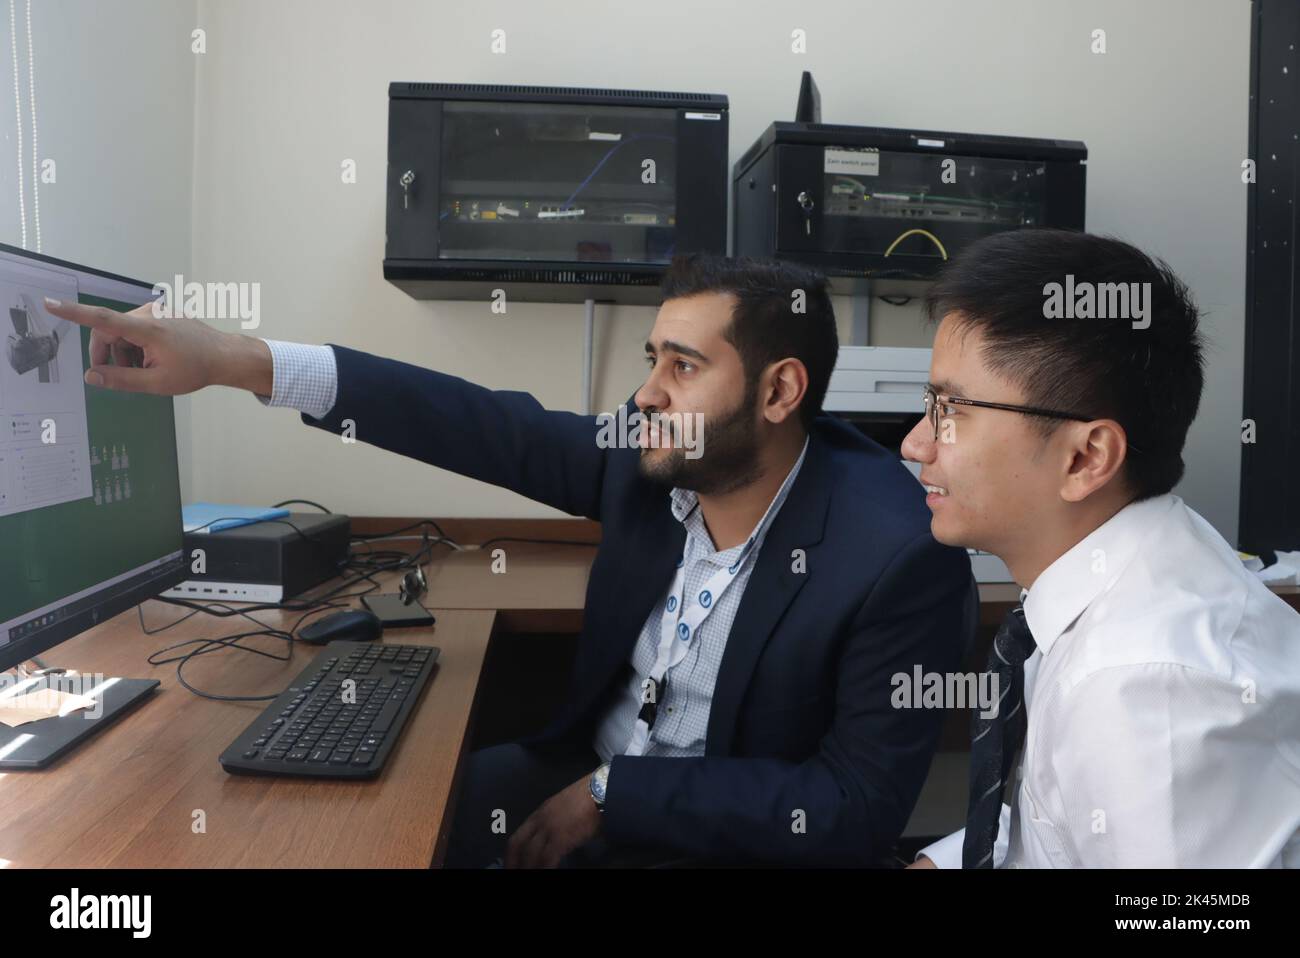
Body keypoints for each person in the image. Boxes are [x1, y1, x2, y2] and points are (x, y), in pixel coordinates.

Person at [47, 253, 975, 868]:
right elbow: (475, 422)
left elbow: (851, 806)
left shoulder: (895, 551)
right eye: (653, 357)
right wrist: (234, 360)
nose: (646, 393)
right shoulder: (649, 458)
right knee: (366, 833)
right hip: (583, 766)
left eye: (683, 367)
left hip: (730, 839)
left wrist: (618, 796)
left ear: (779, 391)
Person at [900, 229, 1300, 868]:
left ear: (1086, 457)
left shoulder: (1142, 687)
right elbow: (1059, 822)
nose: (916, 444)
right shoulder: (1102, 574)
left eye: (950, 410)